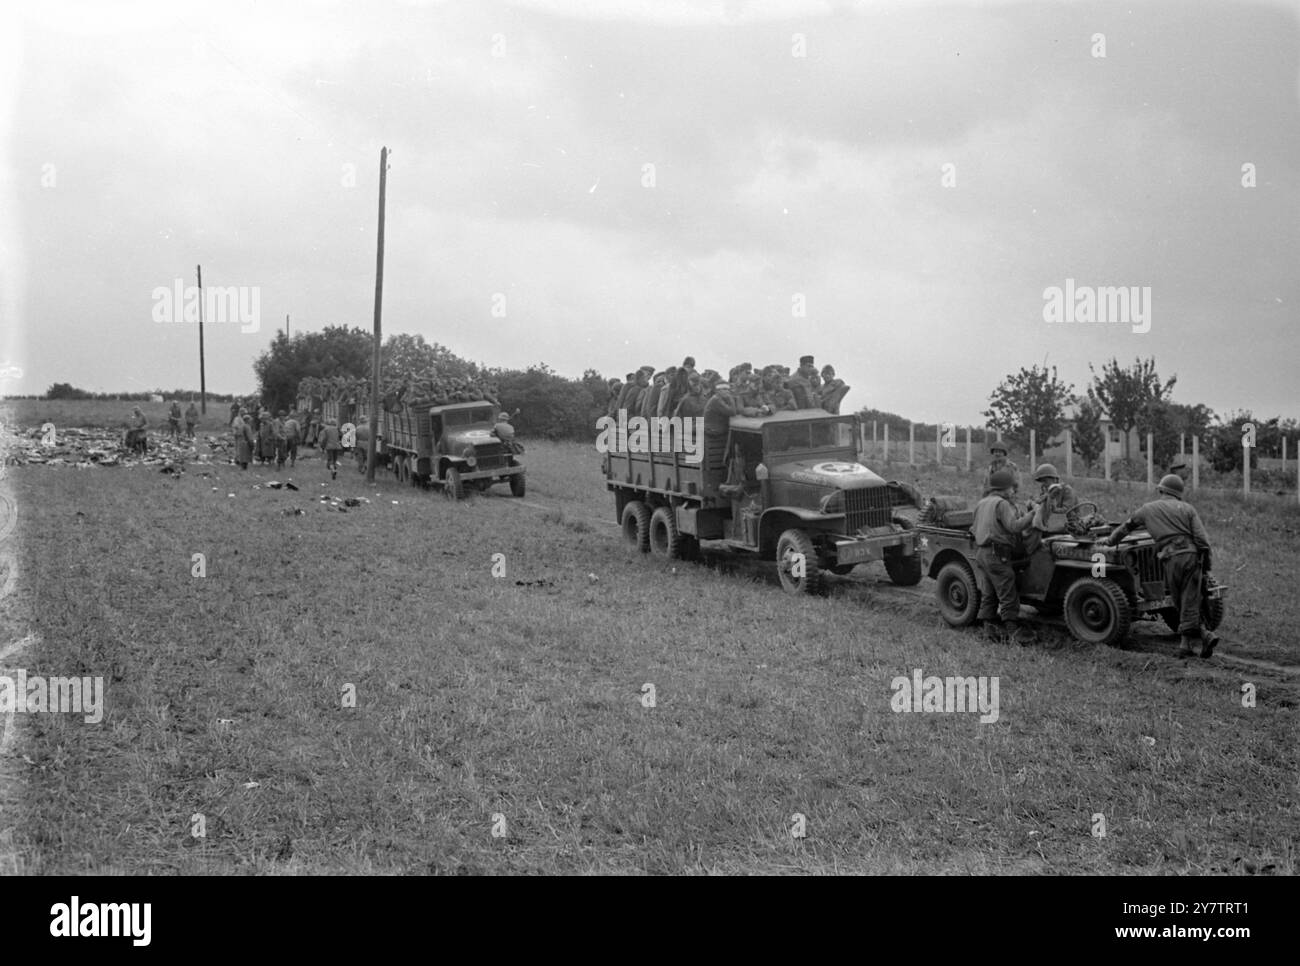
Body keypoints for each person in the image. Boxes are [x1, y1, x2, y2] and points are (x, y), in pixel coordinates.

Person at [1106, 474, 1219, 659]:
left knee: (1180, 601)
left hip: (1171, 558)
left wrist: (1109, 542)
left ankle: (1197, 640)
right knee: (1188, 600)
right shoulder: (1188, 509)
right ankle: (1191, 642)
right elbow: (1202, 540)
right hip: (1192, 557)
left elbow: (1126, 527)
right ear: (1179, 494)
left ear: (1161, 490)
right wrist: (1206, 565)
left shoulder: (1147, 509)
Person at [972, 469, 1036, 644]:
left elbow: (973, 527)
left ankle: (988, 630)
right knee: (1007, 589)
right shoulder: (1002, 504)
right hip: (997, 553)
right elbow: (1014, 527)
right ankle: (1013, 632)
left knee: (989, 592)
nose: (1013, 491)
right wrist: (1032, 514)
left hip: (982, 552)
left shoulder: (982, 503)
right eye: (1011, 488)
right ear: (1005, 489)